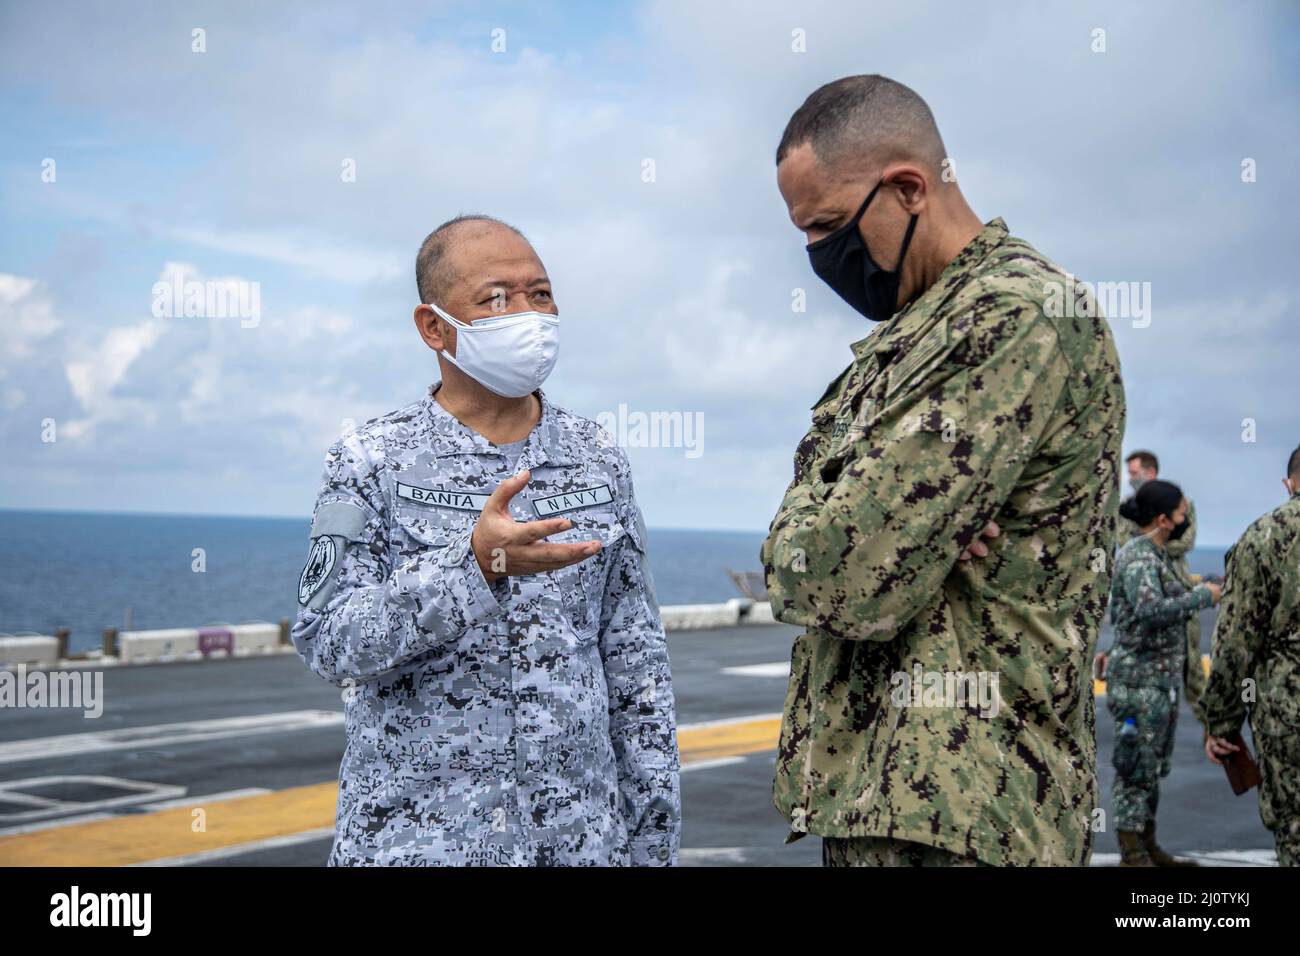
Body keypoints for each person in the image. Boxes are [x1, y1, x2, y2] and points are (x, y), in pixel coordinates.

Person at [762, 74, 1125, 867]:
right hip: (889, 798)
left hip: (972, 810)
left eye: (829, 225)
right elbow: (829, 544)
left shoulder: (1014, 313)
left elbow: (843, 574)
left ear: (909, 188)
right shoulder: (925, 325)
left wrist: (836, 514)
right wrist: (851, 514)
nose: (822, 256)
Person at [291, 215, 679, 866]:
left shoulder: (598, 459)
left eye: (541, 293)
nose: (527, 313)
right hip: (420, 848)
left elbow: (637, 672)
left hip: (582, 847)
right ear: (434, 327)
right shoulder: (371, 460)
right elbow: (328, 641)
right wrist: (471, 567)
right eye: (496, 298)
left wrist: (652, 846)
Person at [1096, 480, 1220, 866]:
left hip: (1159, 681)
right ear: (1164, 519)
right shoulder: (1138, 558)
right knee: (1135, 768)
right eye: (1182, 513)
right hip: (1138, 683)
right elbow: (1150, 610)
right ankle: (1133, 854)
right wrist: (1205, 597)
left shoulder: (1157, 554)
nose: (1186, 520)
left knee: (1152, 767)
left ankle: (1149, 845)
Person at [1203, 445, 1300, 866]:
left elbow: (1235, 643)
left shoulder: (1264, 537)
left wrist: (1221, 722)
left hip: (1289, 716)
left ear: (1289, 484)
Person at [1116, 449, 1207, 722]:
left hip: (1177, 586)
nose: (1131, 478)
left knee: (1193, 670)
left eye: (1134, 473)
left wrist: (1153, 537)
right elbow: (1124, 541)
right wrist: (1154, 540)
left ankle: (1213, 729)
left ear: (1150, 471)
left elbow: (1184, 541)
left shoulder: (1181, 504)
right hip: (1147, 651)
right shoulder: (1127, 512)